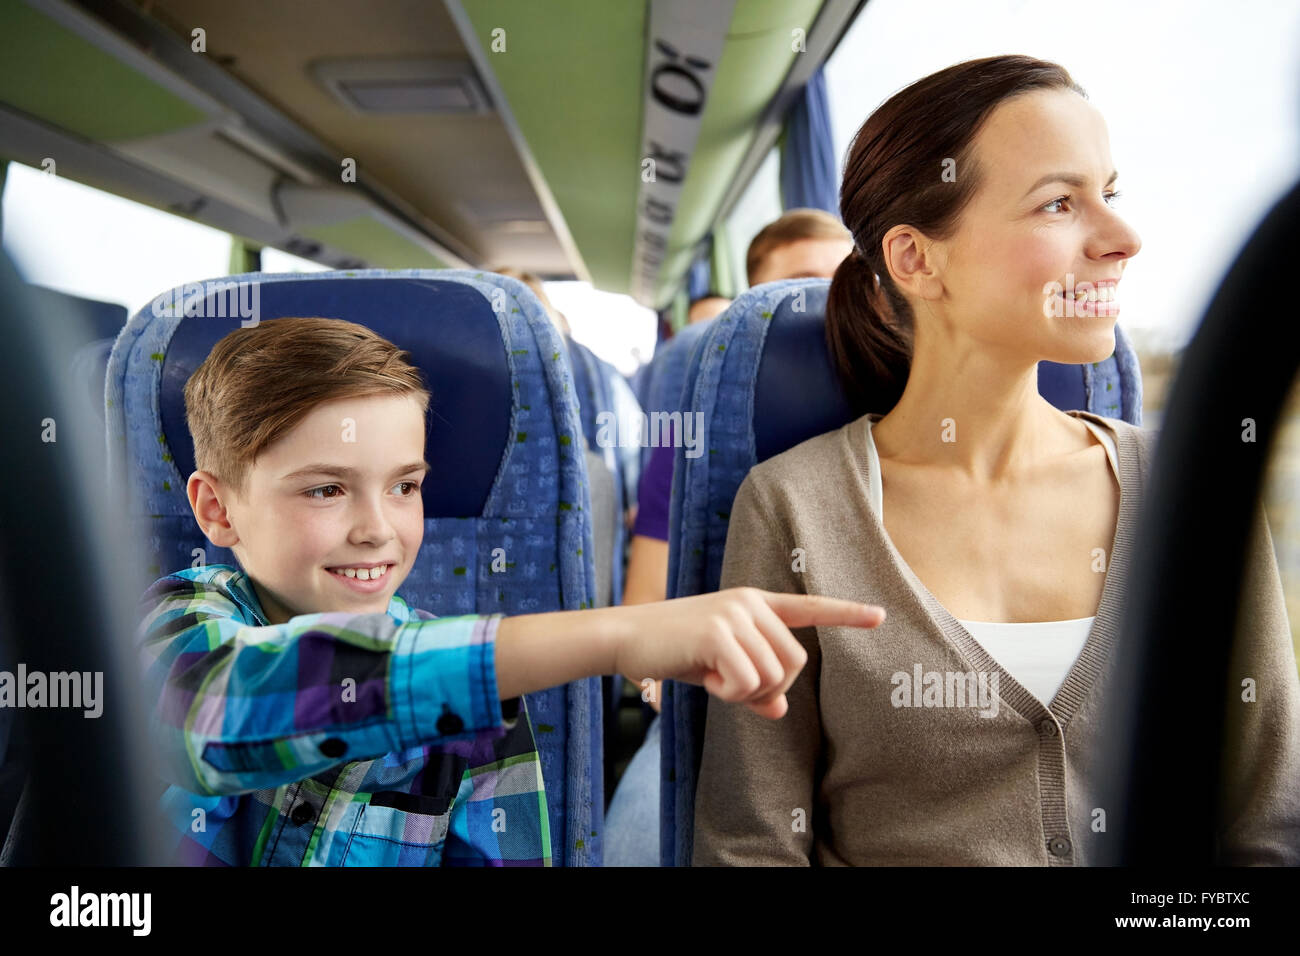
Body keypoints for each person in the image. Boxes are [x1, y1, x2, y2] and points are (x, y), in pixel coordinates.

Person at [691, 54, 1300, 865]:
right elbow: (750, 847)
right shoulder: (790, 507)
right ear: (915, 260)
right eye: (1059, 203)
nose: (1123, 238)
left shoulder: (1185, 489)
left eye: (1109, 195)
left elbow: (1270, 826)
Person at [136, 316, 882, 866]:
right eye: (327, 489)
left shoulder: (479, 721)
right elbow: (214, 713)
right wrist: (613, 635)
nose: (377, 529)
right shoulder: (178, 622)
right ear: (215, 509)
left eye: (405, 487)